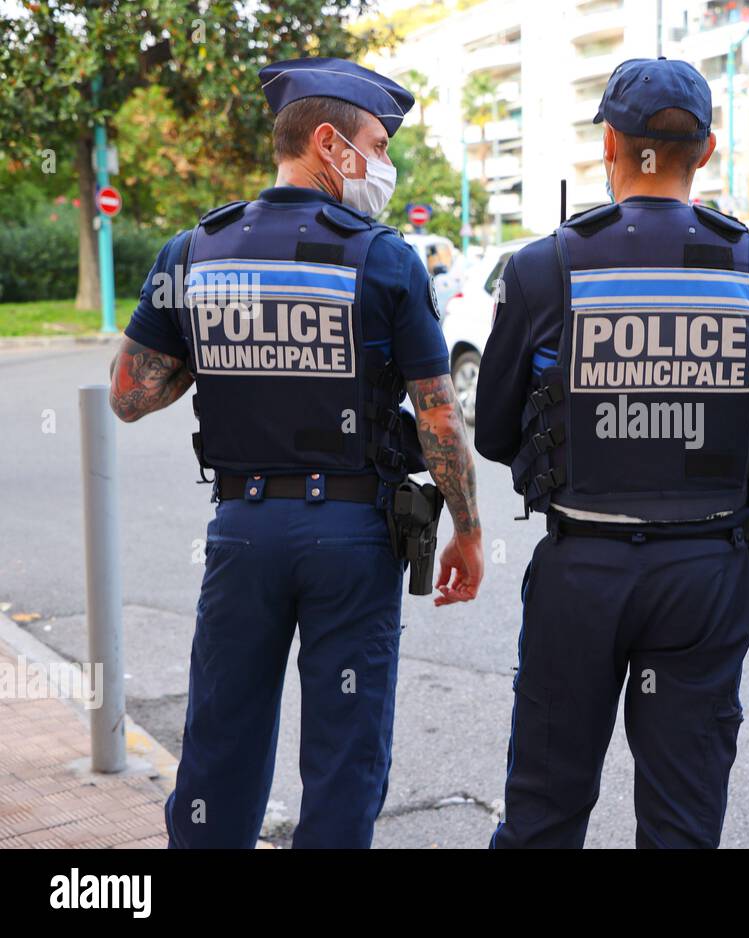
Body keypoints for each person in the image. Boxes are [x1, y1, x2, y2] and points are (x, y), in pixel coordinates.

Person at [108, 57, 484, 848]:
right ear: (329, 143)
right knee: (345, 759)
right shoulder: (383, 258)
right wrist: (469, 531)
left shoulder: (193, 251)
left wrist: (223, 349)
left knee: (219, 745)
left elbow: (129, 395)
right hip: (352, 538)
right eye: (377, 145)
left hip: (243, 533)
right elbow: (439, 417)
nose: (384, 165)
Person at [474, 57, 749, 849]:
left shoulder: (542, 266)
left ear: (611, 146)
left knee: (545, 811)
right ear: (710, 149)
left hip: (581, 570)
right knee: (683, 822)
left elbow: (491, 432)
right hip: (707, 570)